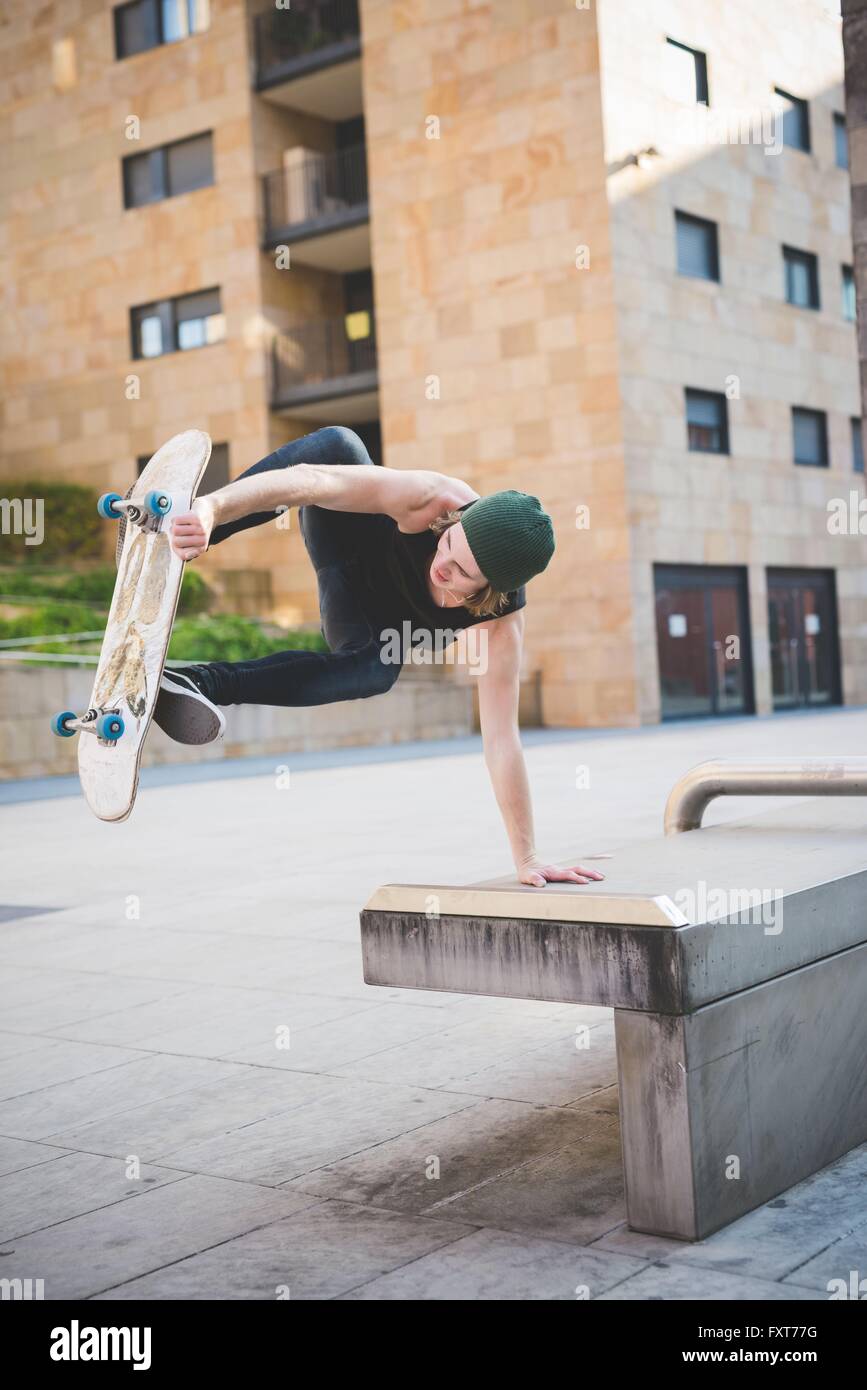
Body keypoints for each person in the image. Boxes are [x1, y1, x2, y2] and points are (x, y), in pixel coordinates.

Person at [157, 425, 604, 889]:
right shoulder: (433, 499)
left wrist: (527, 858)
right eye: (448, 542)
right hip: (342, 537)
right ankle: (188, 526)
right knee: (341, 447)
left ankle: (197, 684)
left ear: (489, 591)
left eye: (460, 572)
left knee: (376, 670)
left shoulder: (502, 624)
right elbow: (309, 481)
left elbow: (501, 740)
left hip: (362, 618)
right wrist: (212, 509)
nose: (441, 564)